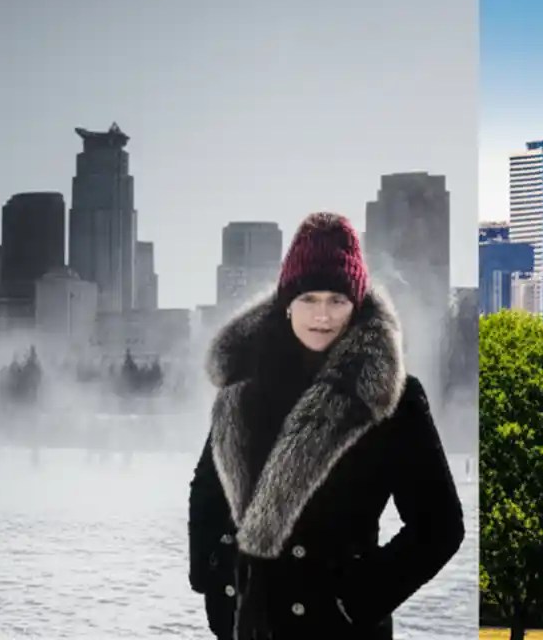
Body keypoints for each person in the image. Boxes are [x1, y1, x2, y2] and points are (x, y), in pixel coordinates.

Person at [187, 212, 464, 640]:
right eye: (309, 298)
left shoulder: (392, 398)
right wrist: (211, 574)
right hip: (246, 624)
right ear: (287, 303)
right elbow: (208, 488)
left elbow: (440, 527)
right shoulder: (244, 388)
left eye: (337, 299)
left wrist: (355, 601)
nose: (323, 315)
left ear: (356, 304)